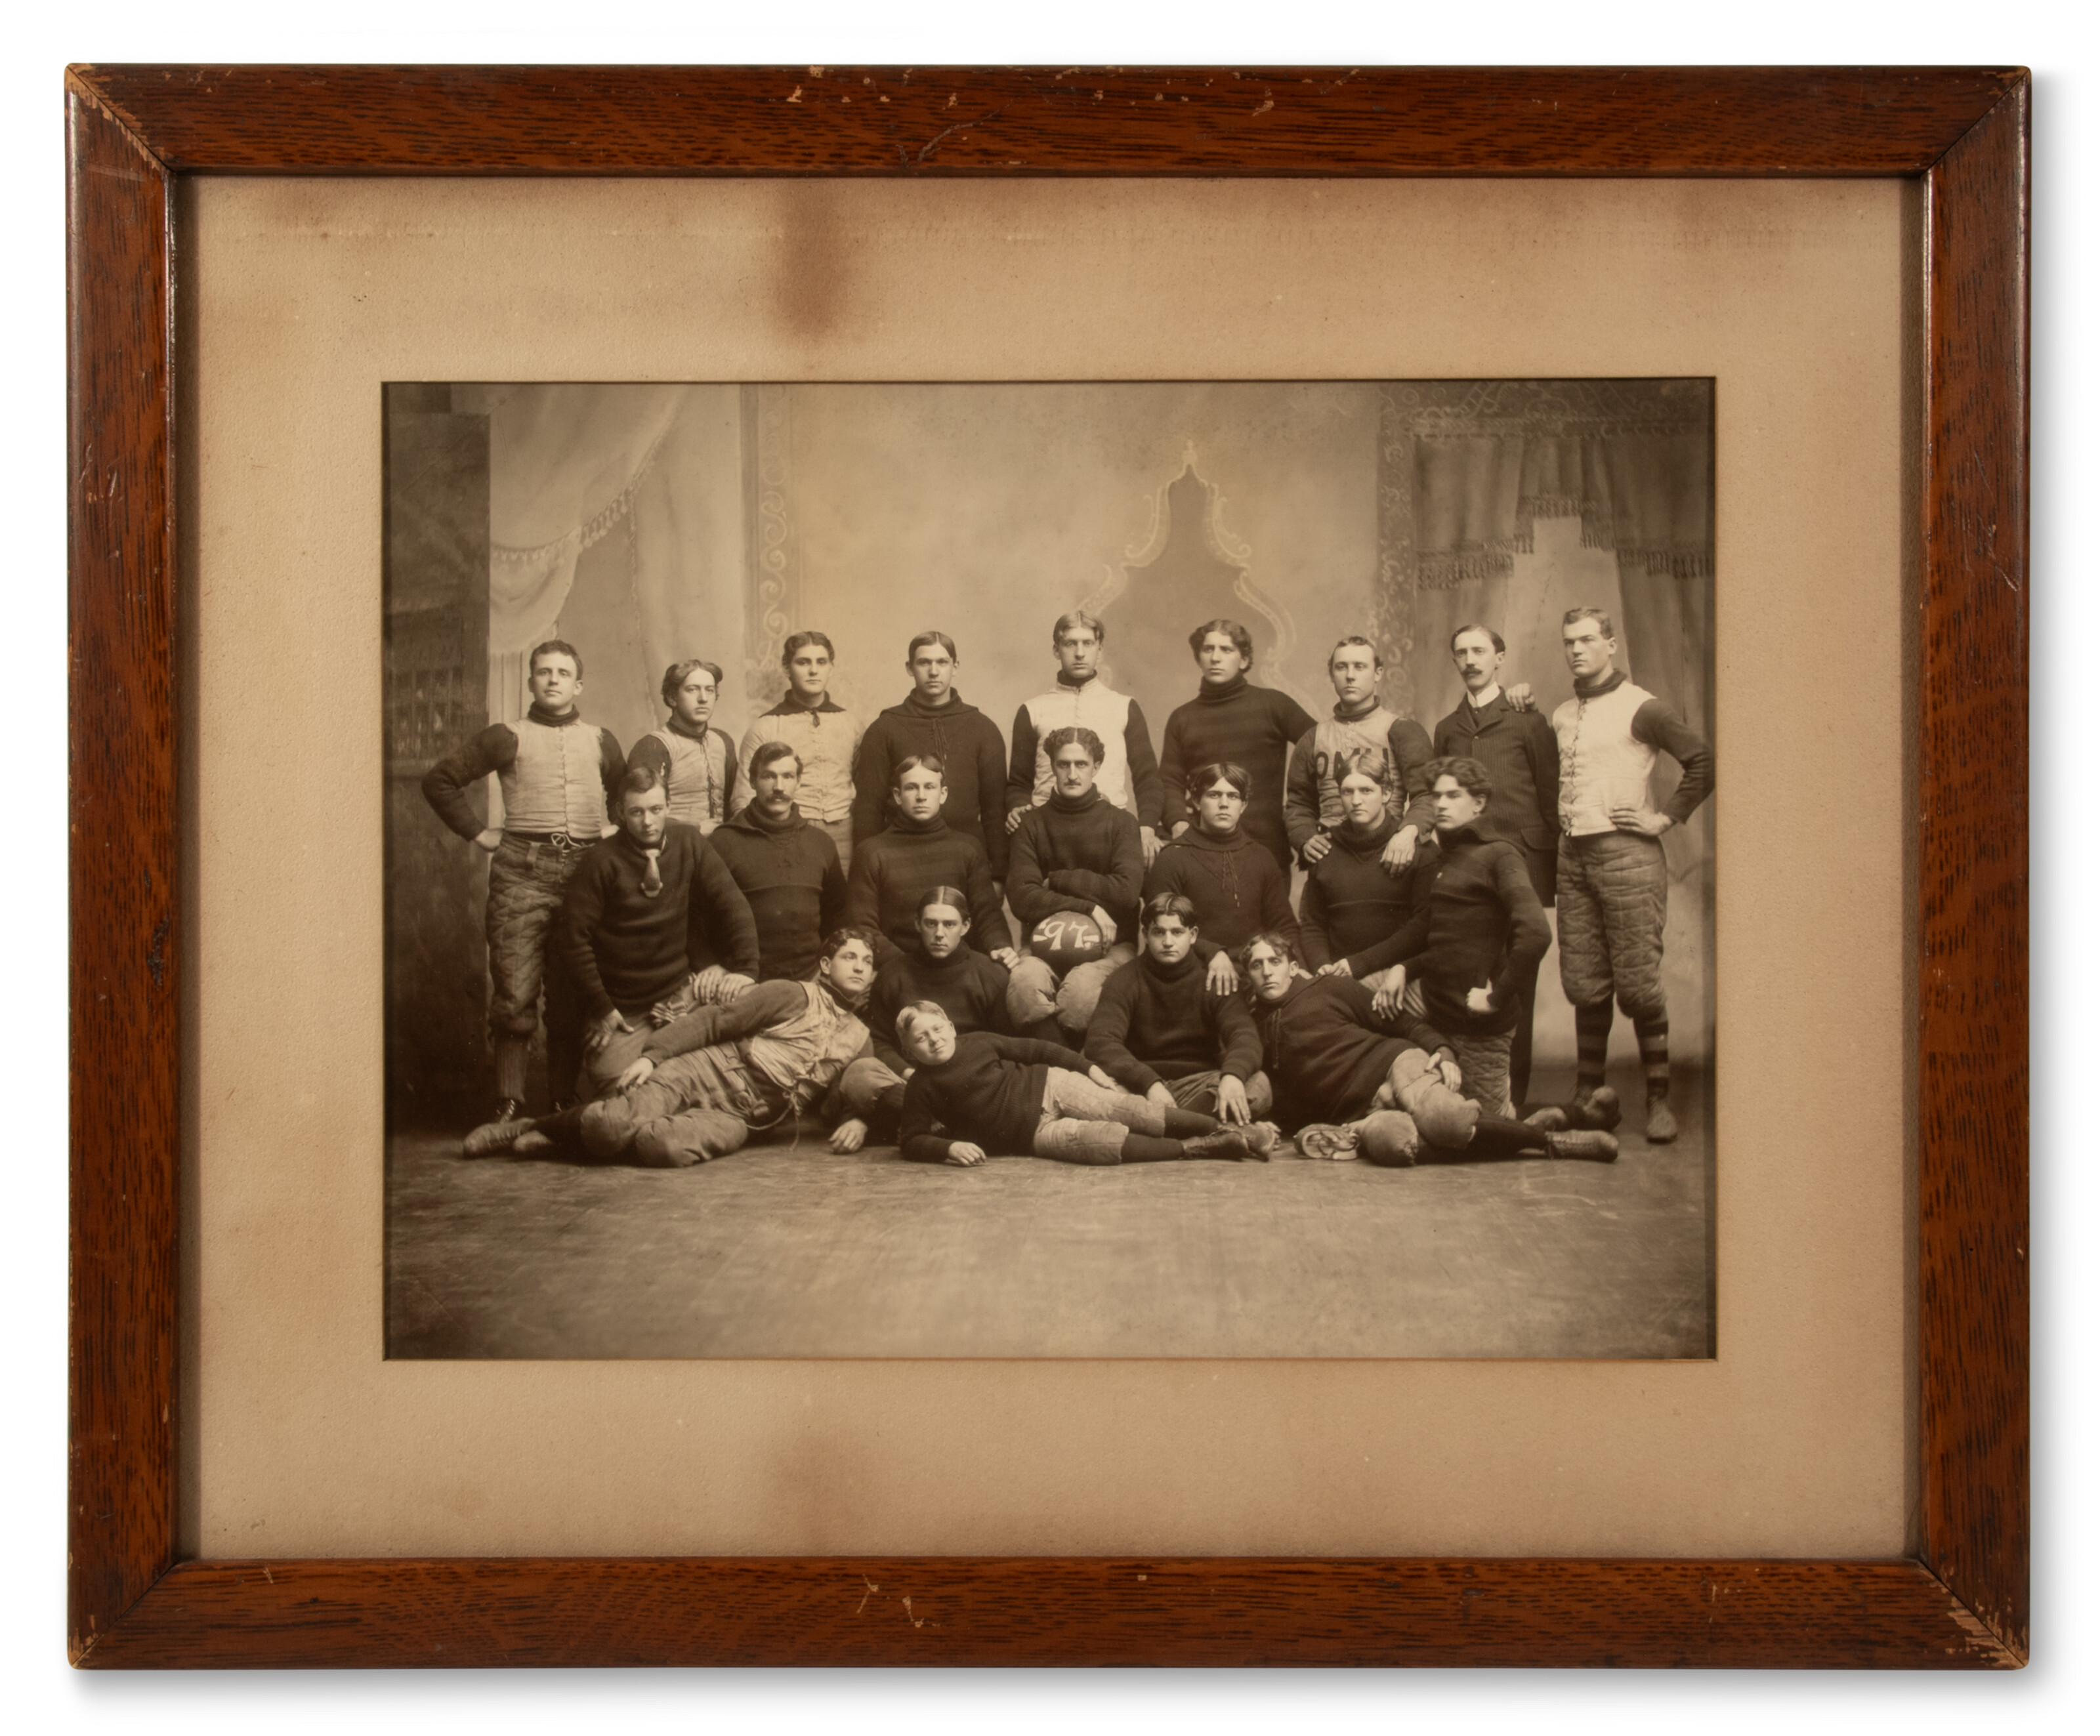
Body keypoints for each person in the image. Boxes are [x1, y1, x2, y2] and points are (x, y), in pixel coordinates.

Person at [461, 928, 881, 1168]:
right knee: (612, 1127)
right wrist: (653, 1056)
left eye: (866, 962)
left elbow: (860, 1088)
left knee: (662, 1147)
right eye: (849, 957)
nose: (859, 967)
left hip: (743, 1117)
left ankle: (570, 1141)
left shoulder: (859, 1037)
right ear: (826, 965)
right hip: (703, 1071)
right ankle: (531, 1128)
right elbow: (715, 1020)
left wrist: (860, 1121)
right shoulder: (791, 994)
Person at [421, 638, 624, 1120]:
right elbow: (439, 780)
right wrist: (478, 832)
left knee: (572, 992)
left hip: (585, 877)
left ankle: (562, 1098)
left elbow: (625, 798)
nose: (553, 680)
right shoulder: (505, 736)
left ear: (579, 685)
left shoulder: (602, 740)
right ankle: (509, 1101)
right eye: (544, 672)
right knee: (515, 990)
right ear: (531, 681)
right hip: (522, 876)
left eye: (563, 673)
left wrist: (612, 830)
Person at [1550, 606, 1715, 1144]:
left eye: (1587, 640)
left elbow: (1703, 761)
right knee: (1584, 981)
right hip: (1573, 856)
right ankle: (1588, 1095)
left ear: (1611, 644)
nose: (1577, 650)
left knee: (1640, 985)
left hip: (1628, 855)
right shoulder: (1563, 714)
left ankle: (1658, 1099)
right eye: (1569, 642)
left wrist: (1663, 819)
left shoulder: (1640, 706)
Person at [1237, 932, 1616, 1166]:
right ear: (1249, 976)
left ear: (1293, 967)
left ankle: (1555, 1142)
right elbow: (1290, 1095)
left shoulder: (1328, 988)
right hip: (1360, 1111)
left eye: (1275, 962)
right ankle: (1529, 1128)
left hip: (1392, 1064)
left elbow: (1403, 1023)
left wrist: (1442, 1050)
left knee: (1447, 1121)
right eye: (1257, 966)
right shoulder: (1254, 1030)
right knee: (1396, 1147)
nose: (1267, 971)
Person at [1339, 757, 1552, 1120]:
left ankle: (1571, 1122)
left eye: (1453, 796)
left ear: (1479, 803)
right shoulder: (1449, 857)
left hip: (1475, 1020)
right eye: (1437, 796)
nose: (1441, 805)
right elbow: (1443, 941)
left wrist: (1496, 998)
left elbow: (1536, 933)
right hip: (1430, 1002)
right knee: (1346, 998)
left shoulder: (1501, 855)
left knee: (1484, 1128)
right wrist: (1402, 969)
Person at [559, 765, 762, 1097]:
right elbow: (573, 941)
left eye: (656, 809)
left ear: (668, 805)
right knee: (614, 1081)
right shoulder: (601, 861)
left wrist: (746, 970)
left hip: (682, 995)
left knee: (751, 1012)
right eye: (636, 812)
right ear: (620, 813)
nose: (648, 822)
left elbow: (731, 903)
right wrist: (603, 1009)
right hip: (627, 1011)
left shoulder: (689, 842)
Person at [1431, 623, 1561, 1105]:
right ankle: (1471, 1091)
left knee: (1516, 979)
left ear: (1499, 657)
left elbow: (1550, 799)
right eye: (1461, 652)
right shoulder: (1447, 729)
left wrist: (1552, 871)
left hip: (1523, 864)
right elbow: (1443, 802)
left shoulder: (1529, 722)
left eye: (1479, 651)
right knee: (1469, 971)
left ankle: (1515, 1099)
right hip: (1469, 872)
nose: (1470, 660)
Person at [892, 1004, 1277, 1167]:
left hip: (1050, 1086)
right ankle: (1204, 1147)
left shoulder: (978, 1042)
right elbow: (910, 1140)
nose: (934, 1040)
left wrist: (1089, 1068)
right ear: (909, 1052)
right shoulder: (921, 1088)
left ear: (951, 1027)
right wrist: (948, 1147)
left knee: (1128, 1109)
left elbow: (1039, 1049)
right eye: (921, 1038)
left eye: (937, 1029)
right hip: (1033, 1134)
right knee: (1104, 1143)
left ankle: (1232, 1131)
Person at [1003, 726, 1146, 1043]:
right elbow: (1023, 898)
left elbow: (1126, 892)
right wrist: (1089, 908)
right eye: (1063, 764)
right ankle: (1055, 1058)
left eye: (1081, 764)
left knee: (1082, 994)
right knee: (1024, 983)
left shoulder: (1122, 823)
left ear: (1096, 766)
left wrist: (1059, 879)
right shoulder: (1030, 824)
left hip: (1110, 950)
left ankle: (1072, 1061)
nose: (1072, 774)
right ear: (1052, 766)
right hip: (1041, 947)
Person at [837, 884, 1013, 1140]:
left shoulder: (990, 974)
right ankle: (941, 1124)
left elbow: (1005, 1044)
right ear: (918, 924)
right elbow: (878, 1040)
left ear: (965, 926)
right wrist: (911, 1075)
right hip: (912, 1082)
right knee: (860, 1074)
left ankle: (902, 1123)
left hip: (970, 1082)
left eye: (949, 925)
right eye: (931, 924)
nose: (939, 934)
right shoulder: (893, 974)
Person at [1086, 892, 1275, 1123]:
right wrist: (1149, 1083)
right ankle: (1201, 1131)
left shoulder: (1216, 978)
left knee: (1258, 1085)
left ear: (1192, 935)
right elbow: (1101, 1042)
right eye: (1159, 932)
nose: (1168, 942)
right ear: (1145, 935)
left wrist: (1233, 1076)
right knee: (1096, 1093)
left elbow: (1243, 1034)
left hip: (1198, 1084)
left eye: (1177, 932)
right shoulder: (1124, 979)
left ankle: (1164, 1128)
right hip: (1140, 1085)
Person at [1004, 609, 1165, 860]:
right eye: (1070, 644)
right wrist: (1017, 807)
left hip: (1109, 833)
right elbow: (1018, 782)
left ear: (1099, 650)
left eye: (1088, 644)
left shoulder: (1124, 707)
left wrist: (1147, 826)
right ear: (1056, 650)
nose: (1080, 653)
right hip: (1047, 835)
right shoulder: (1033, 710)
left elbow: (1148, 778)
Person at [1157, 618, 1314, 872]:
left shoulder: (1274, 705)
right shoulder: (1182, 718)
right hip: (1202, 852)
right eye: (1208, 649)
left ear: (1244, 660)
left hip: (1266, 852)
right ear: (1198, 658)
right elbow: (1169, 781)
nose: (1215, 658)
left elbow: (1322, 750)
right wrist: (1178, 822)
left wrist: (1302, 815)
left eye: (1226, 650)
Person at [850, 630, 1011, 879]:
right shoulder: (884, 729)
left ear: (955, 667)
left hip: (967, 863)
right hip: (899, 862)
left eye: (942, 662)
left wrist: (998, 875)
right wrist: (867, 873)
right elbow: (868, 810)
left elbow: (995, 811)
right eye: (924, 662)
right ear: (910, 668)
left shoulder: (983, 729)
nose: (934, 671)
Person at [841, 753, 1017, 966]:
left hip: (958, 967)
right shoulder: (871, 853)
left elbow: (987, 914)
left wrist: (1000, 945)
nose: (921, 796)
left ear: (943, 794)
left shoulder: (967, 849)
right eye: (911, 788)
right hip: (897, 969)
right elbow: (862, 927)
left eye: (930, 787)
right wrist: (910, 969)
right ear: (898, 795)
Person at [1140, 761, 1296, 996]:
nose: (1224, 804)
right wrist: (1213, 952)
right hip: (1198, 973)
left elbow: (1283, 924)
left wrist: (1296, 966)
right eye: (1214, 795)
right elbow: (1162, 930)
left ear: (1243, 805)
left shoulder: (1261, 857)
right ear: (1196, 801)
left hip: (1256, 973)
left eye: (1233, 796)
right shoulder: (1172, 858)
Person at [1284, 635, 1436, 874]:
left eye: (1360, 666)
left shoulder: (1403, 731)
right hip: (1332, 859)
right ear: (1332, 674)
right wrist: (1305, 837)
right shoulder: (1313, 738)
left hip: (1390, 856)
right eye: (1341, 667)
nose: (1350, 676)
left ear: (1378, 673)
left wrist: (1408, 832)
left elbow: (1427, 794)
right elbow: (1298, 803)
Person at [707, 742, 849, 984]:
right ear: (752, 781)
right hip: (745, 982)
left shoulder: (821, 843)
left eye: (788, 776)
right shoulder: (723, 842)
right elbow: (697, 918)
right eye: (768, 776)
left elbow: (838, 916)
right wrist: (711, 966)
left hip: (810, 981)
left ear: (799, 782)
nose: (779, 787)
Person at [738, 630, 862, 869]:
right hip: (785, 835)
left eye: (821, 662)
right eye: (803, 662)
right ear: (787, 668)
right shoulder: (766, 726)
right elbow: (743, 797)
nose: (813, 671)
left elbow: (868, 792)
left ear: (831, 667)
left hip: (844, 838)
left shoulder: (851, 724)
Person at [1296, 760, 1421, 982]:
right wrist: (1322, 966)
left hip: (1398, 976)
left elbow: (1422, 927)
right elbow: (1313, 924)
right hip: (1339, 976)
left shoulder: (1415, 850)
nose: (1355, 801)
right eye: (1348, 791)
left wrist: (1360, 965)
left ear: (1386, 793)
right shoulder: (1325, 850)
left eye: (1366, 791)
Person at [626, 659, 747, 835]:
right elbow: (641, 814)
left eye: (709, 690)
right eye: (692, 690)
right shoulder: (654, 746)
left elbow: (731, 803)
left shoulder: (722, 742)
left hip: (720, 844)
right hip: (672, 844)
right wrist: (695, 830)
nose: (703, 699)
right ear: (672, 698)